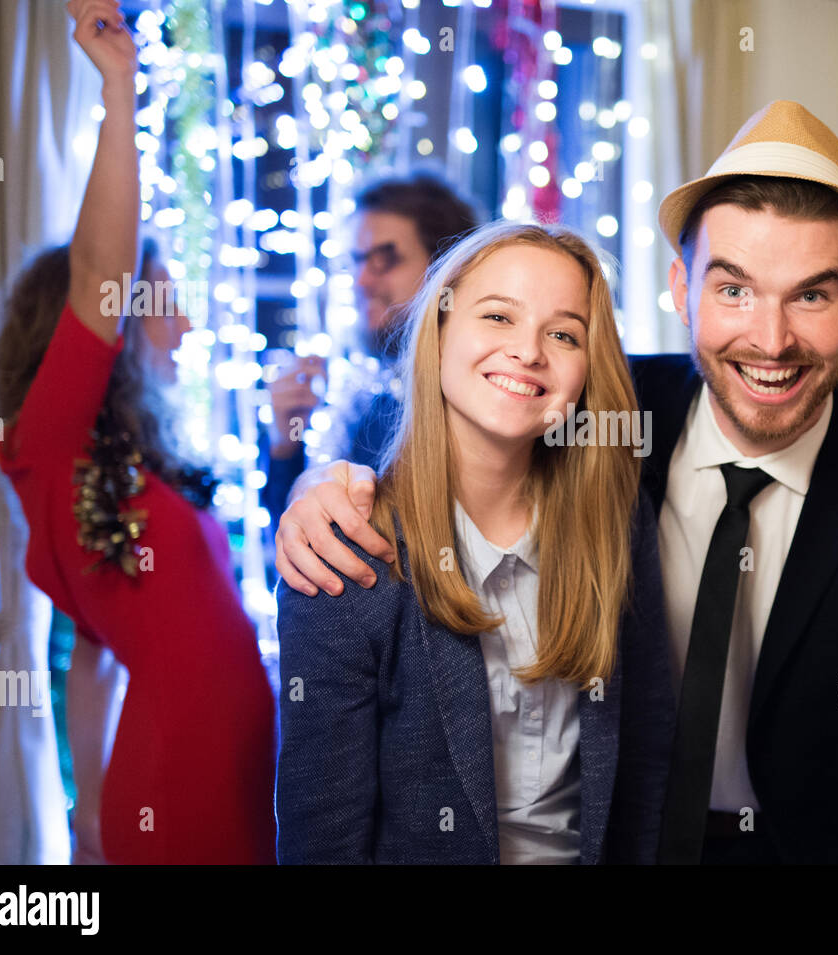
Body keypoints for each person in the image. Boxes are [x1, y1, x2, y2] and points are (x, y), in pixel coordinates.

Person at [274, 100, 838, 864]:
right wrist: (325, 483)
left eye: (813, 294)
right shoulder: (601, 412)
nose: (771, 339)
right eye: (733, 288)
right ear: (680, 290)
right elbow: (464, 433)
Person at [274, 221, 674, 864]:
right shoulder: (346, 550)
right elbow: (323, 836)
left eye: (564, 333)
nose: (529, 352)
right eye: (498, 317)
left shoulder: (620, 524)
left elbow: (648, 762)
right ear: (438, 332)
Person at [0, 0, 276, 864]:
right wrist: (121, 89)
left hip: (223, 770)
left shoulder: (125, 464)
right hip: (181, 781)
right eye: (159, 298)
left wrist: (86, 820)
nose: (183, 321)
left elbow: (91, 660)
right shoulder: (51, 438)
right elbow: (100, 270)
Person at [261, 174, 480, 532]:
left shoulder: (469, 398)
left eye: (385, 260)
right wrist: (287, 442)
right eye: (357, 262)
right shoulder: (367, 391)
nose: (361, 281)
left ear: (448, 270)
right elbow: (299, 547)